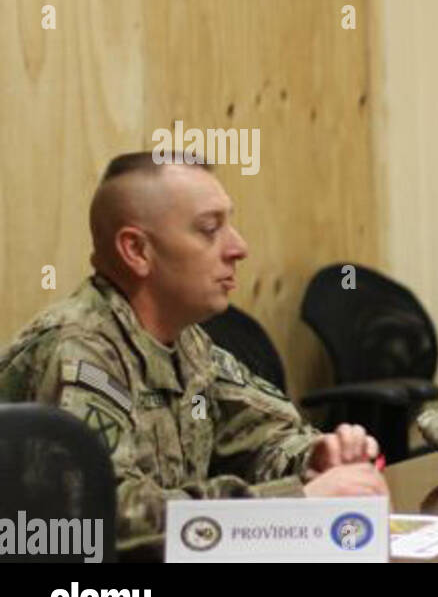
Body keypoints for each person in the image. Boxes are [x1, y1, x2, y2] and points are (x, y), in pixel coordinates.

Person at [0, 152, 388, 554]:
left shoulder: (186, 342)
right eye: (209, 229)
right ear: (136, 250)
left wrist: (313, 456)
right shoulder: (78, 350)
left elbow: (257, 432)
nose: (239, 247)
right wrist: (294, 501)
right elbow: (105, 515)